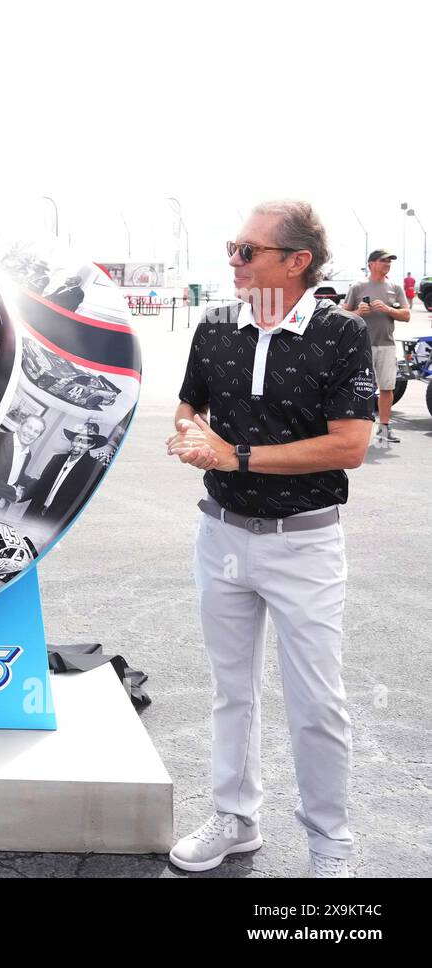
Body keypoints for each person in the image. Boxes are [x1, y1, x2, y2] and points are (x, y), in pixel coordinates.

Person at [167, 200, 374, 878]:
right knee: (233, 691)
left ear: (296, 262)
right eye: (233, 246)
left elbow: (351, 445)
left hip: (305, 544)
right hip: (221, 535)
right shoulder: (216, 327)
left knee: (317, 704)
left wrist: (238, 457)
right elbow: (189, 405)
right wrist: (193, 435)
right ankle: (236, 818)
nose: (233, 259)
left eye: (247, 250)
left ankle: (329, 847)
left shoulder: (341, 334)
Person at [343, 250, 410, 443]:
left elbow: (406, 315)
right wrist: (358, 312)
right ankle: (356, 432)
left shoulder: (395, 287)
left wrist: (388, 309)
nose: (388, 263)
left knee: (387, 388)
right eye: (383, 260)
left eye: (390, 260)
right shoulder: (357, 286)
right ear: (371, 263)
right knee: (359, 389)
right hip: (362, 345)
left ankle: (384, 429)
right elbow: (343, 316)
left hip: (387, 345)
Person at [21, 422, 108, 522]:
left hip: (57, 521)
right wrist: (19, 495)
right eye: (76, 439)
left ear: (90, 445)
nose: (77, 444)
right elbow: (40, 486)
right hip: (32, 514)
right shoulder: (56, 459)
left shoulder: (95, 469)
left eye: (84, 441)